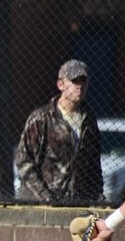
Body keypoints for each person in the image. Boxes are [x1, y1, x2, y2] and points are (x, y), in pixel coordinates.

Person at [15, 59, 103, 204]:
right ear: (60, 84)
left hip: (77, 203)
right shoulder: (42, 118)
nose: (79, 86)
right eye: (74, 81)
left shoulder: (89, 120)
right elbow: (24, 161)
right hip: (39, 205)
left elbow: (94, 165)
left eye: (83, 81)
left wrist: (97, 199)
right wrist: (46, 198)